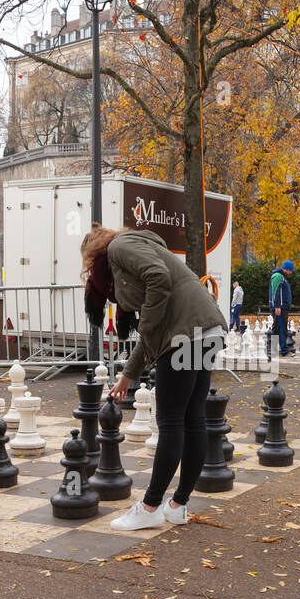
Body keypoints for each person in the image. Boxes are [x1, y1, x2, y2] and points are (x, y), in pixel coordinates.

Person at [82, 224, 227, 531]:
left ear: (96, 253)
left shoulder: (119, 248)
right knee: (193, 419)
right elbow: (153, 331)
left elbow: (157, 284)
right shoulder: (140, 245)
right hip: (205, 329)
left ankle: (149, 508)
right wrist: (128, 375)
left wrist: (146, 324)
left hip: (186, 334)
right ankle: (177, 506)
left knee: (172, 421)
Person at [270, 260, 294, 356]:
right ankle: (284, 350)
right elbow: (275, 291)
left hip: (281, 306)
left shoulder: (281, 277)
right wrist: (277, 306)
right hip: (280, 307)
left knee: (277, 328)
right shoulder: (278, 276)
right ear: (287, 269)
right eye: (290, 270)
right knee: (281, 328)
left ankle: (274, 350)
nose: (291, 273)